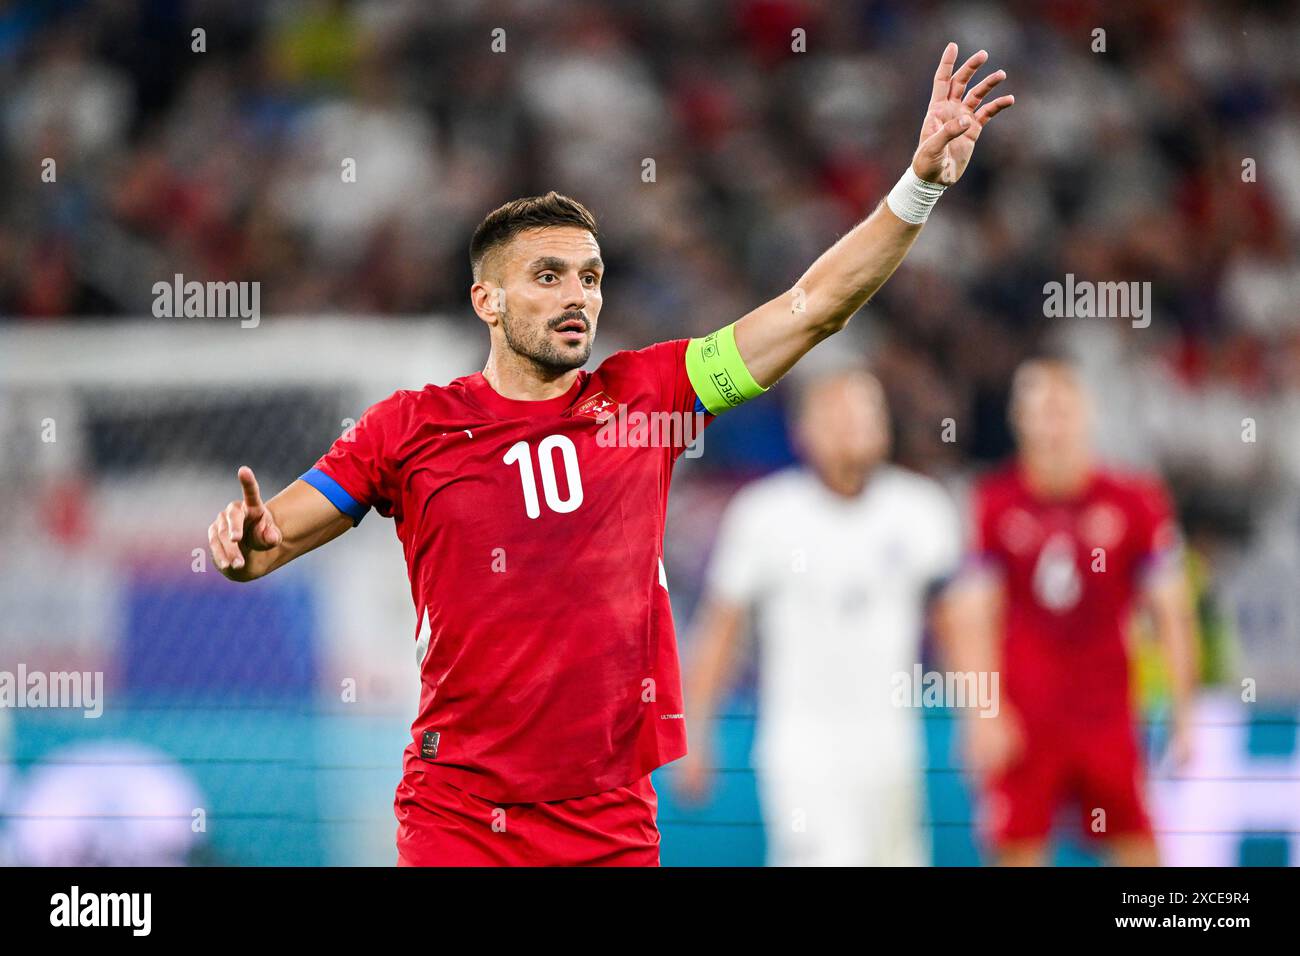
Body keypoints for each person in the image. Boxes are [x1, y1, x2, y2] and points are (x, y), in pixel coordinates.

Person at [204, 44, 1014, 866]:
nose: (576, 297)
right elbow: (274, 540)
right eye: (547, 277)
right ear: (487, 300)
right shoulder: (410, 427)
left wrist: (921, 186)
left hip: (606, 818)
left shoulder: (649, 396)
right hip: (457, 814)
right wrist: (246, 544)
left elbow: (811, 312)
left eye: (589, 277)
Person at [678, 368, 961, 865]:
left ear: (884, 426)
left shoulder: (921, 510)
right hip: (800, 745)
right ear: (801, 430)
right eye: (833, 415)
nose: (849, 426)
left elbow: (956, 621)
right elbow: (721, 629)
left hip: (892, 743)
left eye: (862, 413)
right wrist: (695, 734)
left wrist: (983, 711)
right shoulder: (764, 515)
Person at [942, 358, 1198, 866]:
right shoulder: (994, 504)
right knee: (1016, 850)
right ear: (1019, 419)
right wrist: (982, 714)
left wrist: (1184, 714)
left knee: (1139, 849)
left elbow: (1173, 612)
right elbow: (970, 618)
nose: (1053, 425)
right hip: (1025, 715)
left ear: (1087, 414)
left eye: (1062, 410)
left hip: (1107, 715)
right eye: (1041, 412)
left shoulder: (1135, 502)